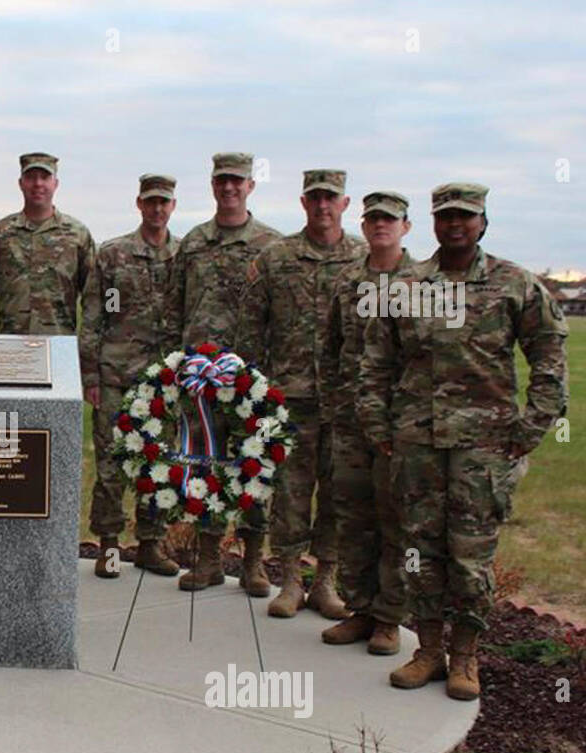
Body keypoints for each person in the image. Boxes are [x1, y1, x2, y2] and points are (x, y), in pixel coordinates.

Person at [358, 183, 568, 700]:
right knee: (419, 551)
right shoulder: (407, 285)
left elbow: (549, 355)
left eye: (465, 217)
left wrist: (531, 426)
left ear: (483, 221)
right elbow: (376, 362)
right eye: (446, 216)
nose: (455, 225)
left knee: (471, 556)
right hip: (416, 443)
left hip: (484, 447)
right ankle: (429, 650)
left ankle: (466, 656)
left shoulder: (513, 283)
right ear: (433, 221)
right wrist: (379, 427)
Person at [244, 169, 368, 619]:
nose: (322, 206)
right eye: (315, 198)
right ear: (303, 202)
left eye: (330, 198)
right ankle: (292, 579)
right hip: (291, 398)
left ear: (345, 203)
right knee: (291, 492)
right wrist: (254, 394)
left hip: (347, 402)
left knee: (339, 493)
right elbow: (252, 329)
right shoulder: (277, 258)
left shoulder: (365, 259)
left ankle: (326, 580)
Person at [171, 152, 283, 595]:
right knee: (205, 464)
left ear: (251, 186)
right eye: (222, 181)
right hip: (200, 378)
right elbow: (174, 305)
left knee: (255, 466)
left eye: (237, 181)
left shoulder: (272, 246)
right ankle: (208, 557)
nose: (230, 188)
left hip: (250, 379)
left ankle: (254, 561)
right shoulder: (195, 242)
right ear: (213, 185)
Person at [318, 191, 414, 654]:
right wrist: (333, 401)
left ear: (406, 227)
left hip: (401, 423)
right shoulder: (347, 282)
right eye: (373, 219)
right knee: (352, 515)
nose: (380, 226)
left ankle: (389, 618)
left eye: (389, 220)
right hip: (351, 420)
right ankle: (359, 609)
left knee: (395, 517)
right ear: (363, 225)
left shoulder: (422, 283)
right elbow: (330, 347)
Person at [81, 174, 184, 578]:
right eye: (151, 202)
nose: (157, 209)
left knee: (157, 463)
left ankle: (150, 544)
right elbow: (94, 315)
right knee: (110, 466)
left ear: (173, 206)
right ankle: (108, 546)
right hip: (116, 376)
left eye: (165, 202)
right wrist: (90, 372)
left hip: (164, 381)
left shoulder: (184, 255)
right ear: (139, 205)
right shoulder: (114, 255)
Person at [0, 152, 94, 334]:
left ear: (56, 184)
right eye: (30, 178)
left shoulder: (77, 234)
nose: (38, 184)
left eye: (45, 177)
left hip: (59, 344)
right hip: (11, 345)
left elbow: (93, 294)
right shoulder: (0, 233)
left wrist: (87, 344)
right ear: (21, 184)